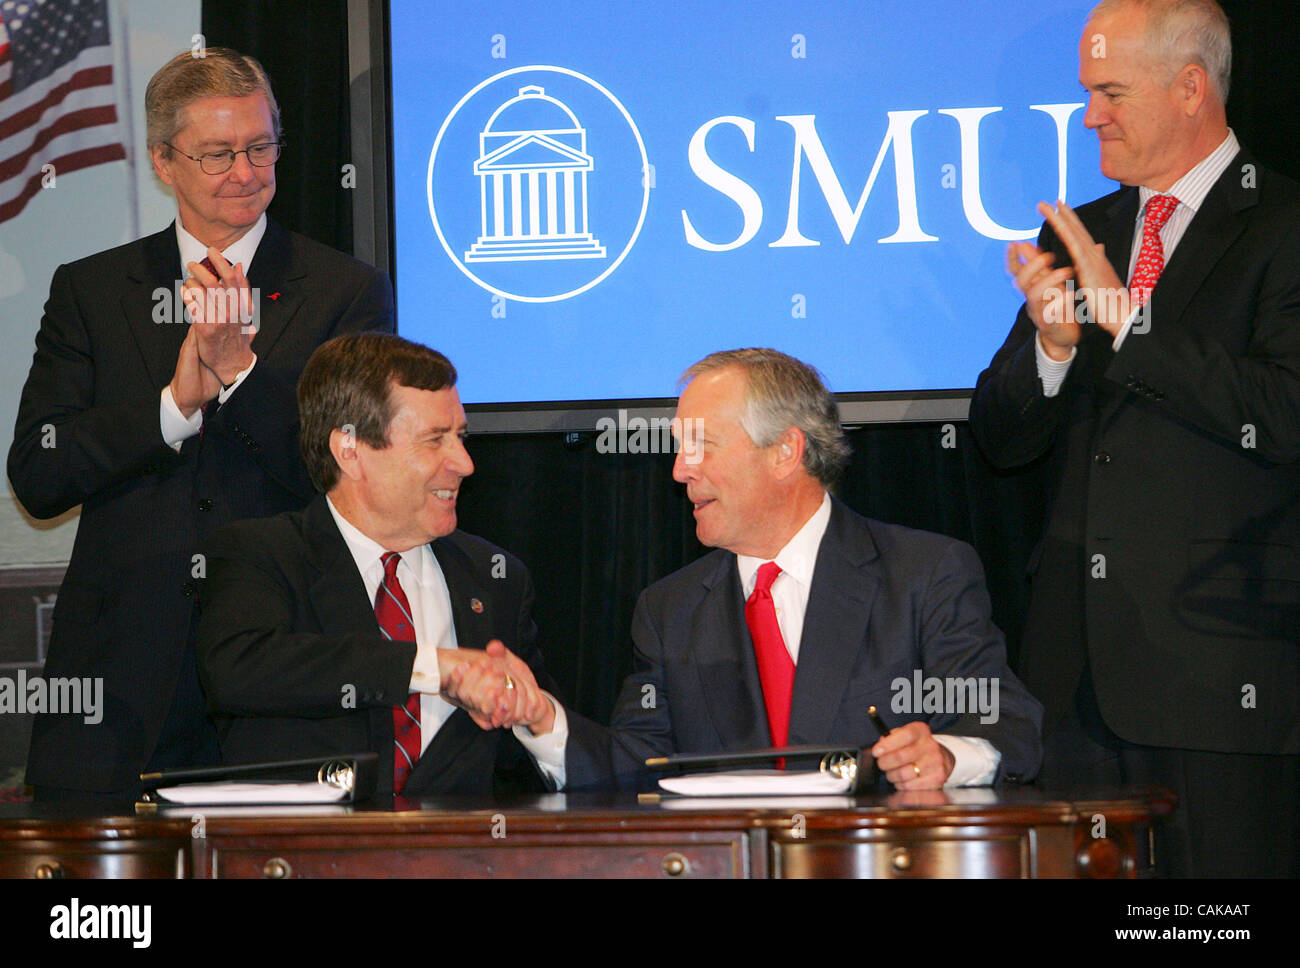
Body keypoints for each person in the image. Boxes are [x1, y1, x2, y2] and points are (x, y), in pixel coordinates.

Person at [8, 49, 394, 802]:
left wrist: (241, 375)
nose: (247, 171)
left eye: (261, 146)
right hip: (120, 685)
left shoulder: (347, 292)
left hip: (287, 669)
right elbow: (40, 474)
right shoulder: (91, 289)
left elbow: (354, 474)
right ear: (163, 160)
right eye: (219, 154)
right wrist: (175, 406)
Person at [969, 0, 1300, 876]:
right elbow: (1000, 442)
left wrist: (1134, 324)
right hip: (1073, 684)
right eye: (1087, 93)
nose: (1089, 116)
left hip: (1222, 683)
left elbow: (1288, 413)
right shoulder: (1084, 233)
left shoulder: (1284, 227)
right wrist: (1049, 348)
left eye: (1109, 92)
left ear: (1191, 88)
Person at [496, 349, 1042, 792]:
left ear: (785, 451)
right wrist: (542, 720)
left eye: (699, 447)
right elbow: (639, 764)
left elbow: (1005, 725)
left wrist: (946, 756)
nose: (679, 470)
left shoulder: (924, 574)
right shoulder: (671, 608)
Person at [195, 333, 555, 797]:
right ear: (351, 451)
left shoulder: (494, 576)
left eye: (460, 437)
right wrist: (433, 668)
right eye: (434, 440)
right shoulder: (262, 555)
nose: (464, 463)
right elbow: (238, 671)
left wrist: (540, 722)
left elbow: (535, 749)